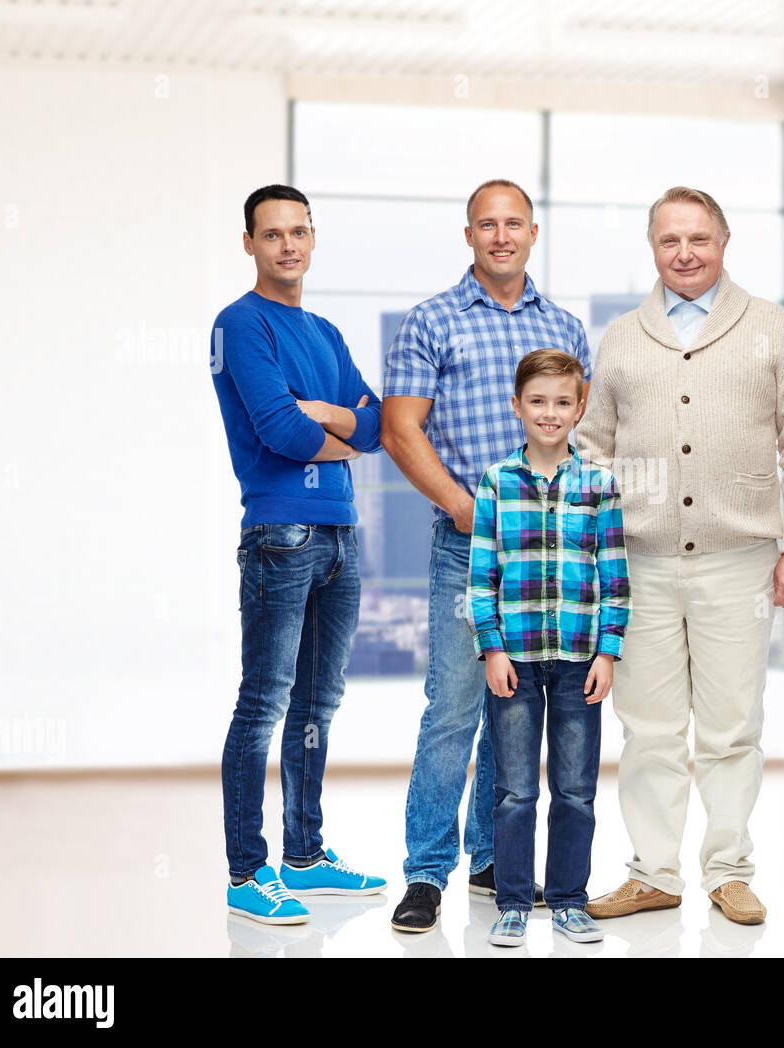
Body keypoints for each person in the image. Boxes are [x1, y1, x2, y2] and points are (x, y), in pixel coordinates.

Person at [578, 186, 784, 925]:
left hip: (741, 559)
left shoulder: (770, 327)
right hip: (639, 562)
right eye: (668, 241)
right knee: (648, 727)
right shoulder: (623, 334)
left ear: (724, 240)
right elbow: (592, 444)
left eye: (698, 239)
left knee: (730, 726)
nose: (684, 253)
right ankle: (653, 871)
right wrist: (594, 546)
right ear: (652, 248)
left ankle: (728, 871)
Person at [383, 180, 592, 932]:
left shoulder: (565, 326)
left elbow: (577, 431)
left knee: (517, 707)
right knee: (453, 710)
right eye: (486, 225)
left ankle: (490, 859)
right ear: (468, 234)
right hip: (464, 544)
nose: (501, 236)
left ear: (533, 232)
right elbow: (400, 430)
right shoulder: (431, 322)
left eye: (513, 224)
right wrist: (468, 510)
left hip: (546, 555)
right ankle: (424, 873)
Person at [213, 184, 388, 925]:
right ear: (249, 243)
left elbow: (381, 425)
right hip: (280, 534)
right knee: (264, 703)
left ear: (313, 239)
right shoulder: (240, 324)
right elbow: (282, 433)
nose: (288, 245)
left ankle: (306, 855)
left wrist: (337, 422)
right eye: (272, 233)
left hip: (342, 533)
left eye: (299, 232)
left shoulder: (324, 331)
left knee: (318, 703)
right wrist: (341, 429)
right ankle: (247, 873)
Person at [467, 349, 631, 947]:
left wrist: (608, 651)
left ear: (580, 407)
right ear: (517, 406)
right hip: (515, 655)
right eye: (538, 401)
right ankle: (512, 902)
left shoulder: (599, 485)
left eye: (563, 402)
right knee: (513, 790)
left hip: (578, 658)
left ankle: (567, 900)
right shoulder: (495, 482)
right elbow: (481, 576)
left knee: (576, 789)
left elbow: (614, 575)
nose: (550, 412)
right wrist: (492, 649)